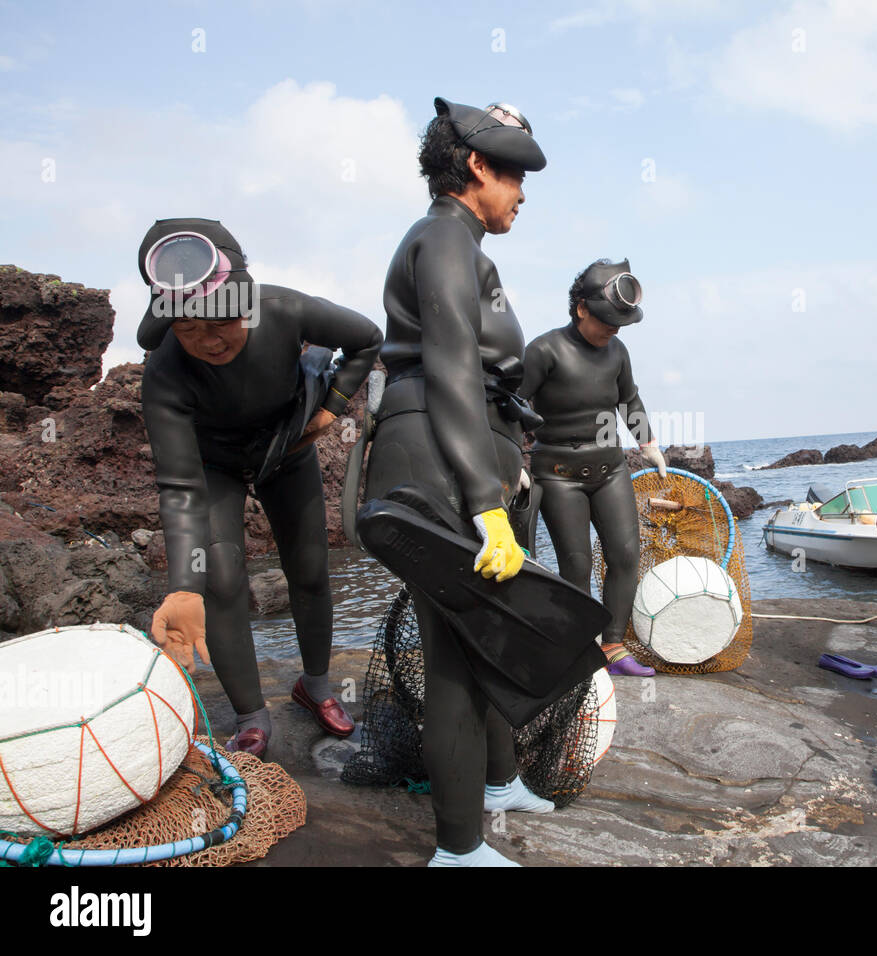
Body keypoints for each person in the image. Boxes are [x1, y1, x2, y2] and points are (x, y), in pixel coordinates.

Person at [363, 98, 567, 867]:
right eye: (514, 173)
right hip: (437, 462)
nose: (521, 191)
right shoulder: (444, 236)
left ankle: (500, 779)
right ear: (477, 167)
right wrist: (486, 506)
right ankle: (457, 850)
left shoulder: (463, 243)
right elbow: (450, 369)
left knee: (485, 640)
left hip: (464, 455)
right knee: (455, 647)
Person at [138, 217, 382, 757]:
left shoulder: (284, 310)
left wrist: (329, 412)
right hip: (213, 465)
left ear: (245, 302)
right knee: (220, 581)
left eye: (221, 322)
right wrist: (182, 586)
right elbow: (178, 486)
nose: (209, 340)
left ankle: (315, 686)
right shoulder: (164, 374)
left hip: (286, 448)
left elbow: (366, 340)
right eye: (187, 329)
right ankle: (251, 715)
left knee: (311, 570)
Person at [519, 259, 666, 677]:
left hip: (610, 468)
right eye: (607, 321)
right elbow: (513, 407)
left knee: (624, 554)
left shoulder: (617, 351)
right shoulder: (544, 350)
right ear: (581, 308)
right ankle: (581, 650)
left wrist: (649, 444)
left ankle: (614, 646)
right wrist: (514, 458)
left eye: (621, 324)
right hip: (558, 474)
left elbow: (629, 401)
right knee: (577, 564)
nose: (613, 330)